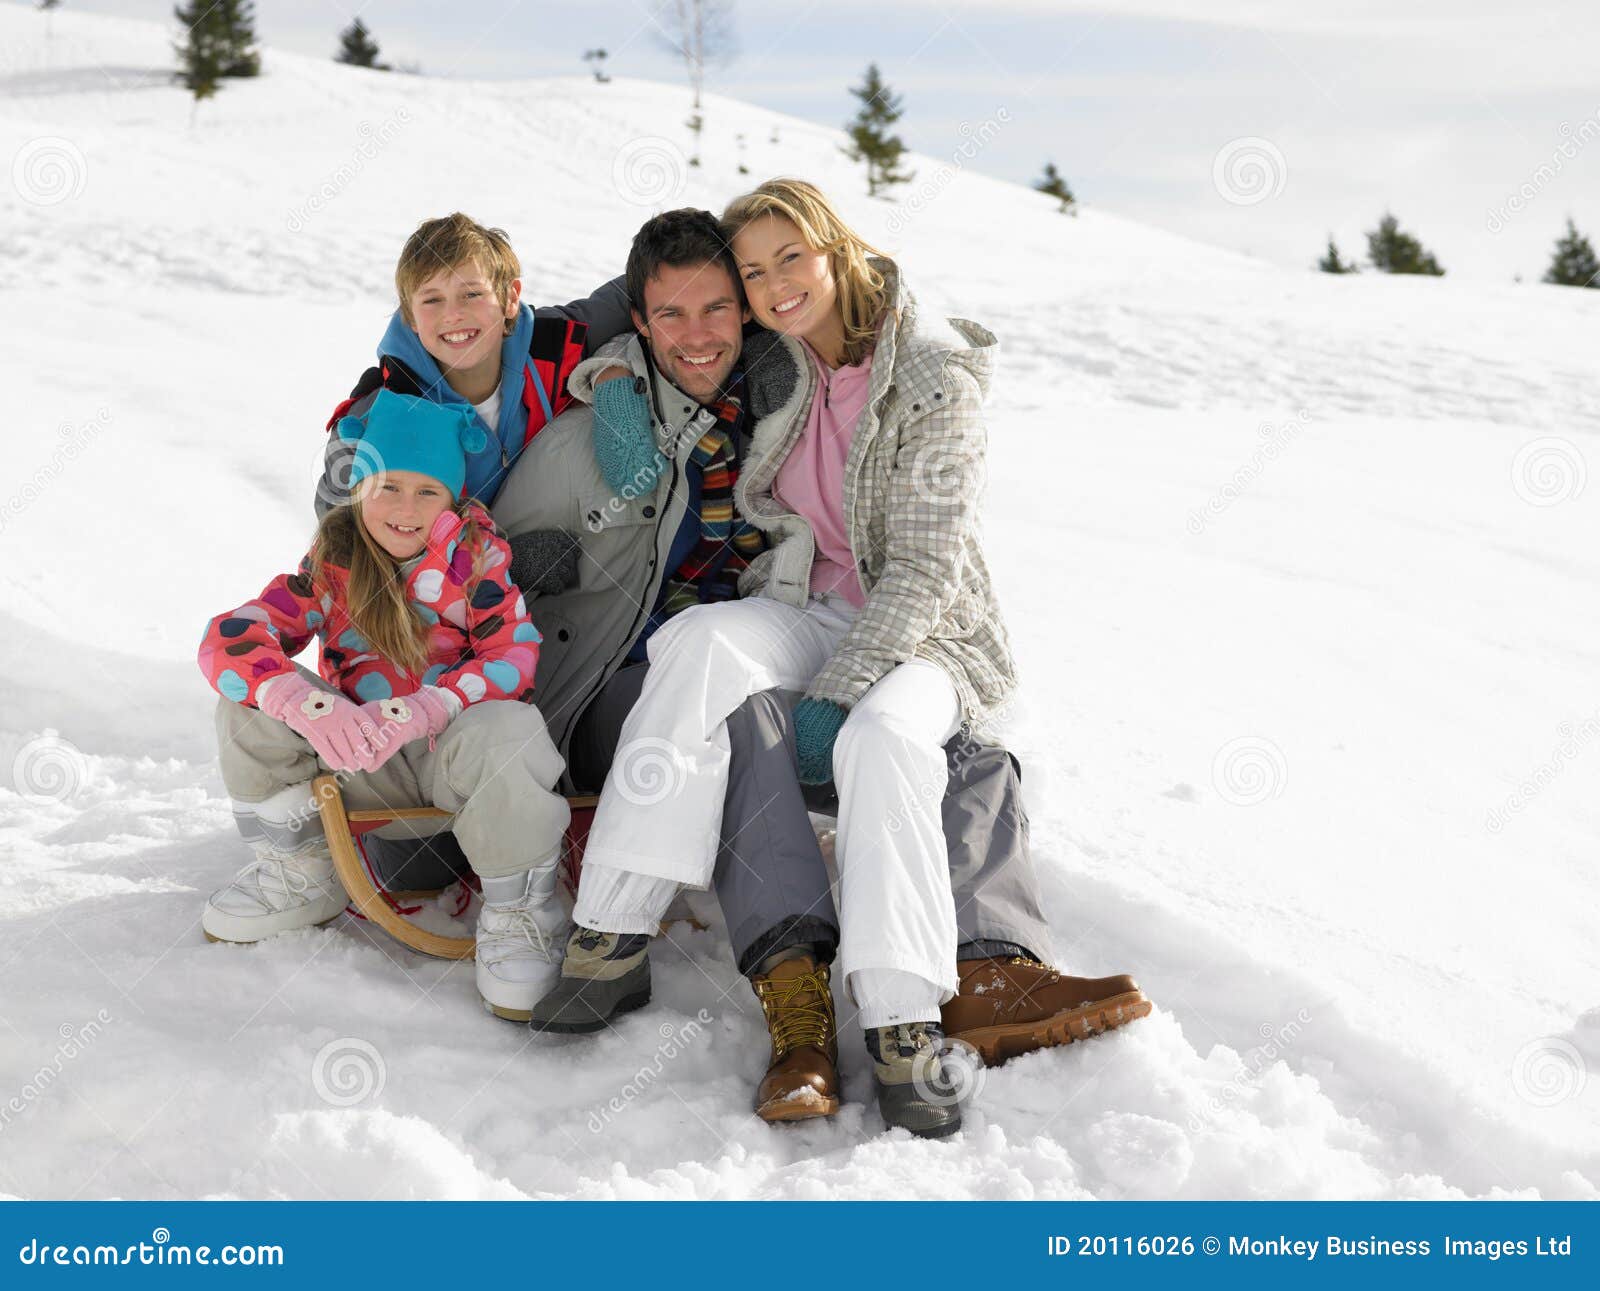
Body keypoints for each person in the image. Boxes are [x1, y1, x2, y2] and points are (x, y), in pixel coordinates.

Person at [520, 199, 1150, 1137]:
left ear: (837, 249)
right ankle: (612, 932)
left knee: (882, 740)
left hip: (923, 632)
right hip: (804, 605)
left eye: (790, 261)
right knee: (694, 647)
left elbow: (930, 571)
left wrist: (843, 689)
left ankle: (901, 1028)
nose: (773, 288)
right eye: (756, 272)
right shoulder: (781, 358)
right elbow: (646, 309)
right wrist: (609, 370)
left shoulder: (933, 378)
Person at [199, 390, 571, 1022]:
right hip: (354, 764)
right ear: (359, 488)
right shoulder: (333, 561)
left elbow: (514, 657)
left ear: (452, 499)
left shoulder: (478, 559)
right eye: (389, 486)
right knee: (245, 703)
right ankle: (301, 868)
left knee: (510, 726)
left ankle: (521, 910)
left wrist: (427, 708)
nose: (406, 508)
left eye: (427, 492)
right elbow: (230, 637)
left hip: (444, 762)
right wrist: (307, 707)